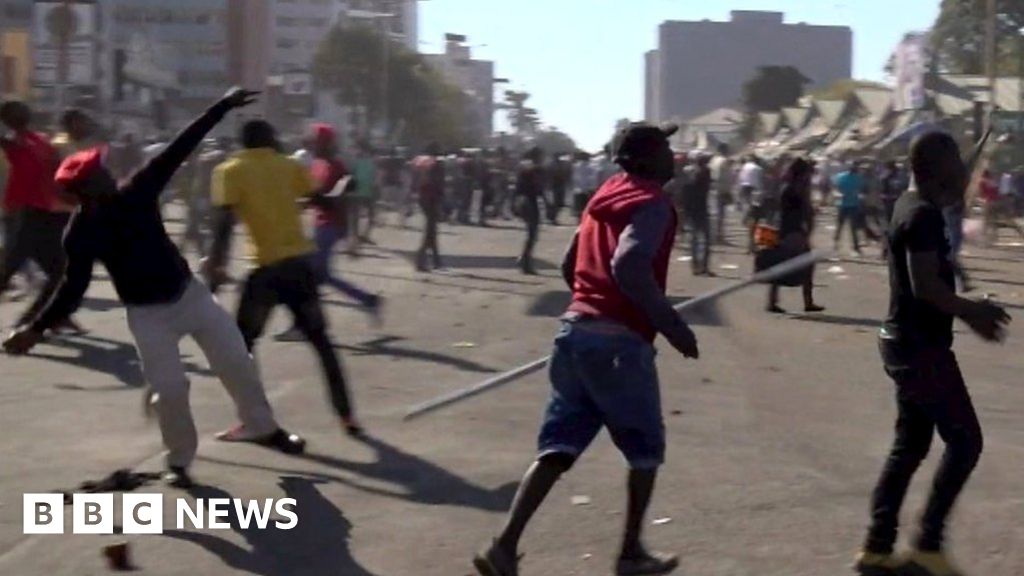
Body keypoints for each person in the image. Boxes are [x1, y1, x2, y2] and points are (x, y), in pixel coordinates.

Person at [2, 89, 305, 488]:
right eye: (98, 174)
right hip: (147, 317)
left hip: (190, 295)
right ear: (85, 193)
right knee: (170, 390)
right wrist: (36, 330)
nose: (109, 173)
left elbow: (181, 145)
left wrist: (222, 106)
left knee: (237, 362)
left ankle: (263, 427)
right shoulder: (81, 233)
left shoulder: (138, 189)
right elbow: (72, 289)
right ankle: (178, 461)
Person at [473, 123, 698, 576]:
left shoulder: (605, 194)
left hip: (574, 335)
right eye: (666, 148)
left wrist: (591, 303)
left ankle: (504, 547)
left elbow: (570, 265)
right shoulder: (651, 203)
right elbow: (630, 265)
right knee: (645, 450)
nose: (674, 156)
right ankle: (631, 553)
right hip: (618, 346)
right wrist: (669, 324)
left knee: (557, 448)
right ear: (648, 157)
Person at [854, 132, 1011, 576]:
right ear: (937, 167)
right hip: (919, 346)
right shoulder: (921, 214)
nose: (963, 168)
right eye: (955, 161)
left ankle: (876, 548)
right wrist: (972, 310)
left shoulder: (914, 204)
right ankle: (926, 544)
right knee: (965, 441)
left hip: (906, 340)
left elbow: (927, 278)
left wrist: (970, 161)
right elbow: (926, 287)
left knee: (911, 445)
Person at [205, 118, 364, 438]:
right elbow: (326, 201)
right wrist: (345, 185)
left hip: (265, 271)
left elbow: (224, 224)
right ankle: (347, 416)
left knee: (242, 347)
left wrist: (218, 265)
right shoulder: (287, 166)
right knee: (322, 344)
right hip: (299, 268)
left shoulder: (230, 169)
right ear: (270, 139)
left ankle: (255, 420)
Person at [275, 124, 382, 342]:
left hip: (331, 228)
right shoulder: (318, 165)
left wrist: (352, 236)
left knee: (305, 276)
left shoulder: (337, 167)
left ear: (325, 143)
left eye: (315, 141)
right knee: (323, 276)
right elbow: (315, 196)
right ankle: (368, 300)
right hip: (322, 225)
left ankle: (302, 325)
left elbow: (343, 201)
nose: (311, 144)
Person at [0, 100, 78, 331]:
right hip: (21, 214)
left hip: (40, 215)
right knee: (9, 271)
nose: (22, 113)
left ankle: (32, 321)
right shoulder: (16, 142)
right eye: (13, 113)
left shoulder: (38, 140)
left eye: (21, 109)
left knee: (59, 273)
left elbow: (57, 172)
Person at [765, 158, 824, 314]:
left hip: (786, 230)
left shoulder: (786, 187)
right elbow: (805, 211)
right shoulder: (796, 189)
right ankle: (807, 302)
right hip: (794, 232)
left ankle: (772, 302)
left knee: (781, 265)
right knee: (805, 265)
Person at [412, 143, 445, 272]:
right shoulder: (437, 164)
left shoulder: (419, 162)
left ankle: (436, 261)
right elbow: (439, 183)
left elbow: (414, 181)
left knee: (431, 230)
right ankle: (421, 260)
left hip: (422, 198)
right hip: (433, 198)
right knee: (430, 231)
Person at [515, 147, 545, 275]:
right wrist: (546, 200)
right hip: (530, 202)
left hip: (521, 200)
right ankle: (525, 261)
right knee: (532, 233)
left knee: (530, 232)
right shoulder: (535, 169)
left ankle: (524, 259)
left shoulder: (522, 167)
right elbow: (537, 187)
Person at [683, 153, 713, 275]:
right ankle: (703, 267)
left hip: (693, 210)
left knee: (695, 240)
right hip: (700, 210)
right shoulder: (704, 172)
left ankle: (696, 267)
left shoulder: (689, 173)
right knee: (704, 239)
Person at [832, 162, 865, 255]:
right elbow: (835, 189)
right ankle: (837, 244)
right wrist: (838, 194)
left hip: (852, 204)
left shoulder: (858, 178)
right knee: (841, 226)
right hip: (844, 204)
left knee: (851, 227)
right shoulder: (842, 177)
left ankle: (854, 246)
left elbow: (862, 190)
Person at [738, 155, 764, 252]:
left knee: (750, 220)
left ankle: (751, 244)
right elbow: (760, 184)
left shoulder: (744, 167)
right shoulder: (758, 169)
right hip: (755, 193)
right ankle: (753, 245)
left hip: (746, 193)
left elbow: (740, 181)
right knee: (756, 220)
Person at [709, 144, 734, 244]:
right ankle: (719, 235)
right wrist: (728, 191)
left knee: (714, 212)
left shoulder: (713, 160)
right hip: (722, 189)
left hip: (713, 188)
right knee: (721, 214)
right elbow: (726, 177)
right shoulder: (724, 161)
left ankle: (714, 234)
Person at [547, 153, 571, 225]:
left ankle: (553, 217)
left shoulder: (561, 164)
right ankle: (552, 218)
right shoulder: (552, 165)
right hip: (555, 185)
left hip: (560, 185)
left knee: (559, 203)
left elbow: (566, 174)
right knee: (555, 203)